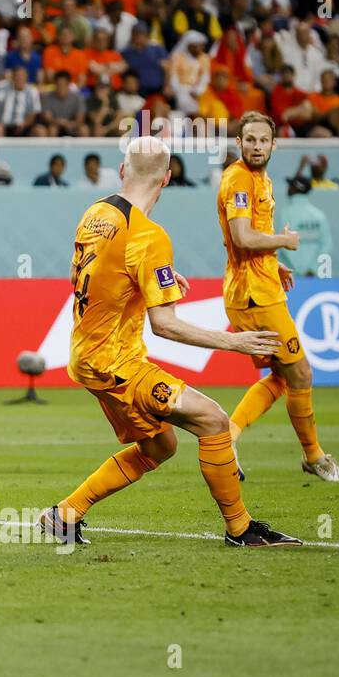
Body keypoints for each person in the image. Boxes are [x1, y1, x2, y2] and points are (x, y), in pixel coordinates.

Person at [39, 136, 301, 548]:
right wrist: (236, 342)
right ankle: (241, 529)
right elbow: (167, 326)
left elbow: (93, 271)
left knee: (160, 445)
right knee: (213, 420)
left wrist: (150, 283)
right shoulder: (149, 236)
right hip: (115, 362)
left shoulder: (95, 213)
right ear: (167, 178)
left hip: (88, 355)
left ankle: (64, 515)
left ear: (123, 170)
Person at [219, 112, 339, 481]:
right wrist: (285, 241)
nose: (257, 146)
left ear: (273, 144)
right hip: (254, 295)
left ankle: (227, 438)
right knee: (301, 372)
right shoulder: (239, 180)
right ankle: (313, 456)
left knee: (282, 376)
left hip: (262, 285)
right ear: (239, 143)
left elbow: (239, 240)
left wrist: (275, 262)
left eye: (263, 140)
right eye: (250, 140)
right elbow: (243, 236)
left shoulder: (261, 178)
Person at [279, 175, 333, 276]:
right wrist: (312, 268)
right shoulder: (319, 215)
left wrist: (298, 269)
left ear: (296, 188)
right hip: (314, 275)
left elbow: (281, 242)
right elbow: (327, 244)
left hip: (291, 275)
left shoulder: (285, 213)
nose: (288, 188)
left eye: (291, 185)